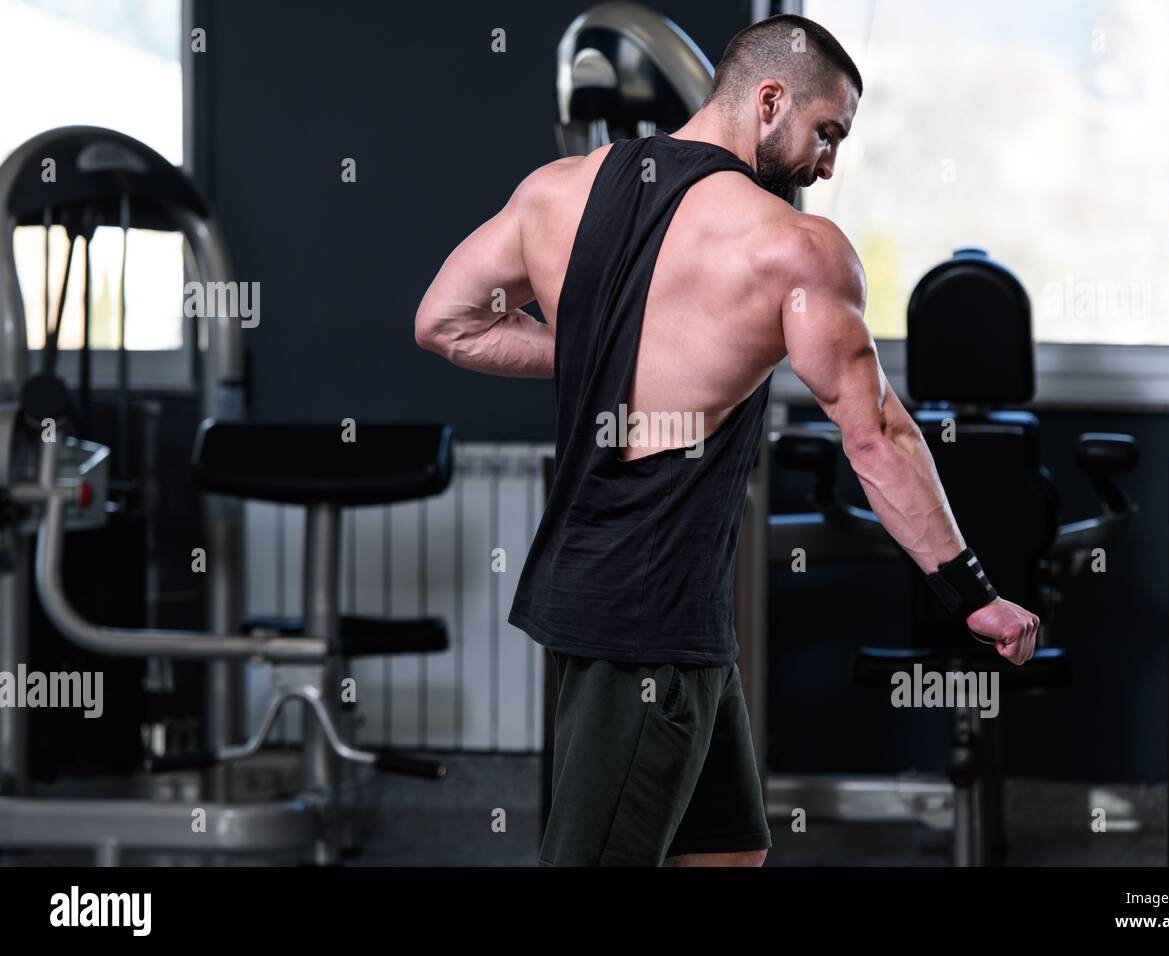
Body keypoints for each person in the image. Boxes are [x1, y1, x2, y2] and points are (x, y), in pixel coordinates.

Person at [414, 13, 1039, 867]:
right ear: (771, 101)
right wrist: (972, 593)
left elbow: (446, 321)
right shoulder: (795, 250)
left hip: (641, 617)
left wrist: (602, 342)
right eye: (827, 133)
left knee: (728, 856)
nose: (828, 163)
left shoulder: (556, 191)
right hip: (648, 631)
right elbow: (878, 438)